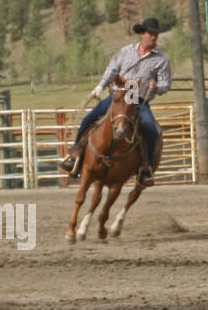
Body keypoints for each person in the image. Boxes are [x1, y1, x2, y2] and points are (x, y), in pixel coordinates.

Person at [59, 17, 171, 187]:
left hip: (138, 100)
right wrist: (100, 86)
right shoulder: (125, 51)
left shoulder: (161, 59)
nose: (153, 37)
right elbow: (112, 70)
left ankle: (145, 167)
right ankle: (76, 155)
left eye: (156, 34)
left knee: (150, 127)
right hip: (118, 97)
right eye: (150, 34)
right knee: (89, 118)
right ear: (142, 34)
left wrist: (157, 86)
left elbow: (166, 84)